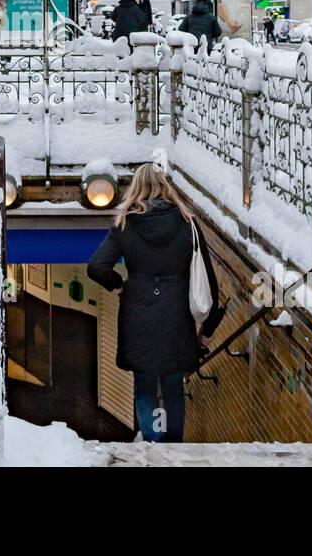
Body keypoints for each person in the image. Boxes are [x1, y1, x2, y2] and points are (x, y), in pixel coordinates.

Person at [87, 162, 224, 442]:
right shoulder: (188, 224)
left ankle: (151, 445)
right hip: (177, 314)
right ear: (166, 187)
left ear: (136, 187)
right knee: (173, 385)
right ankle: (174, 448)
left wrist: (120, 285)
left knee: (145, 384)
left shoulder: (124, 223)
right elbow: (210, 283)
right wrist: (206, 331)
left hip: (138, 314)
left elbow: (96, 267)